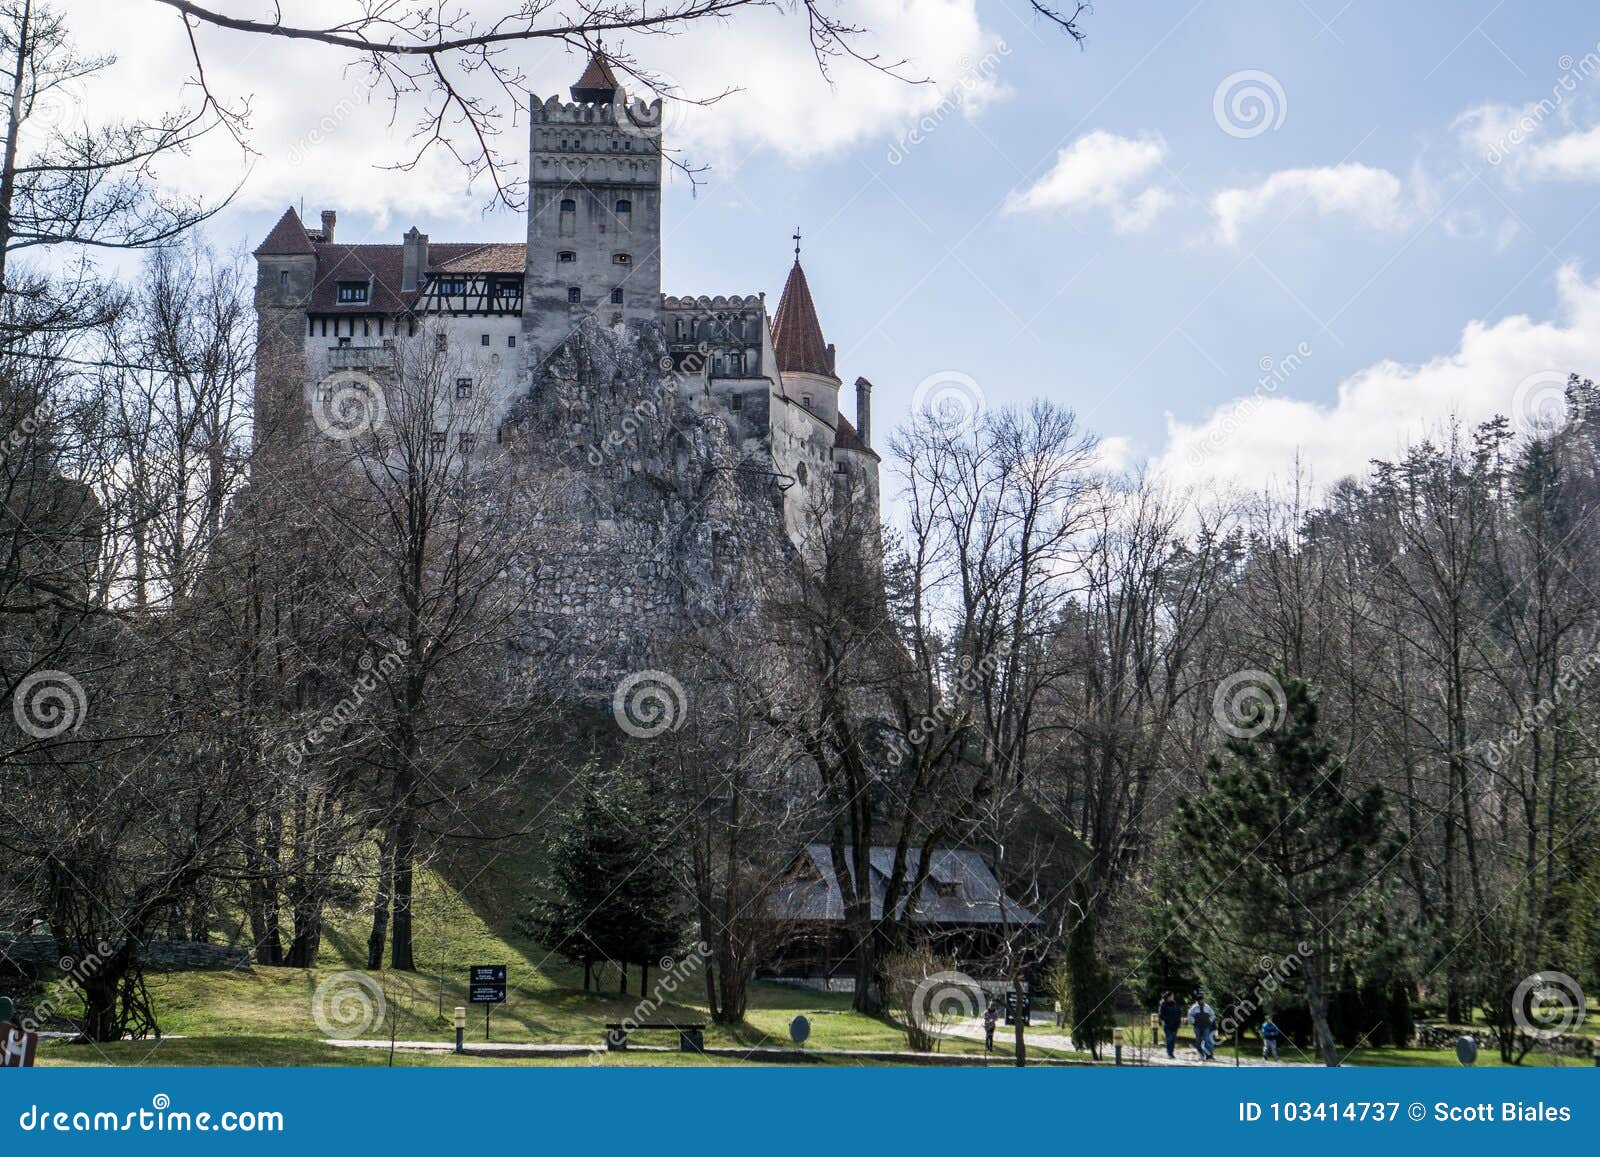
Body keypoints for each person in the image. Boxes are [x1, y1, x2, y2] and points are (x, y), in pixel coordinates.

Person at [1188, 994, 1217, 1061]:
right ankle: (1201, 1055)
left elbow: (1213, 1015)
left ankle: (1209, 1055)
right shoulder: (1194, 1008)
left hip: (1206, 1027)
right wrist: (1194, 1021)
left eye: (1203, 1000)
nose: (1202, 1001)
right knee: (1198, 1041)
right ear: (1197, 1001)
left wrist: (1209, 1021)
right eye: (1200, 1000)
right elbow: (1190, 1015)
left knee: (1207, 1040)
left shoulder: (1207, 1007)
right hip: (1197, 1027)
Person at [1157, 991, 1182, 1059]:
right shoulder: (1163, 1004)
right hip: (1167, 1025)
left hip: (1175, 1024)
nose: (1173, 997)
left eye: (1173, 996)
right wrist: (1167, 1020)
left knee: (1173, 1039)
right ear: (1168, 997)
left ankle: (1171, 1052)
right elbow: (1161, 1015)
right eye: (1171, 996)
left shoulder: (1175, 1004)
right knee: (1169, 1038)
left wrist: (1178, 1021)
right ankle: (1169, 1053)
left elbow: (1179, 1013)